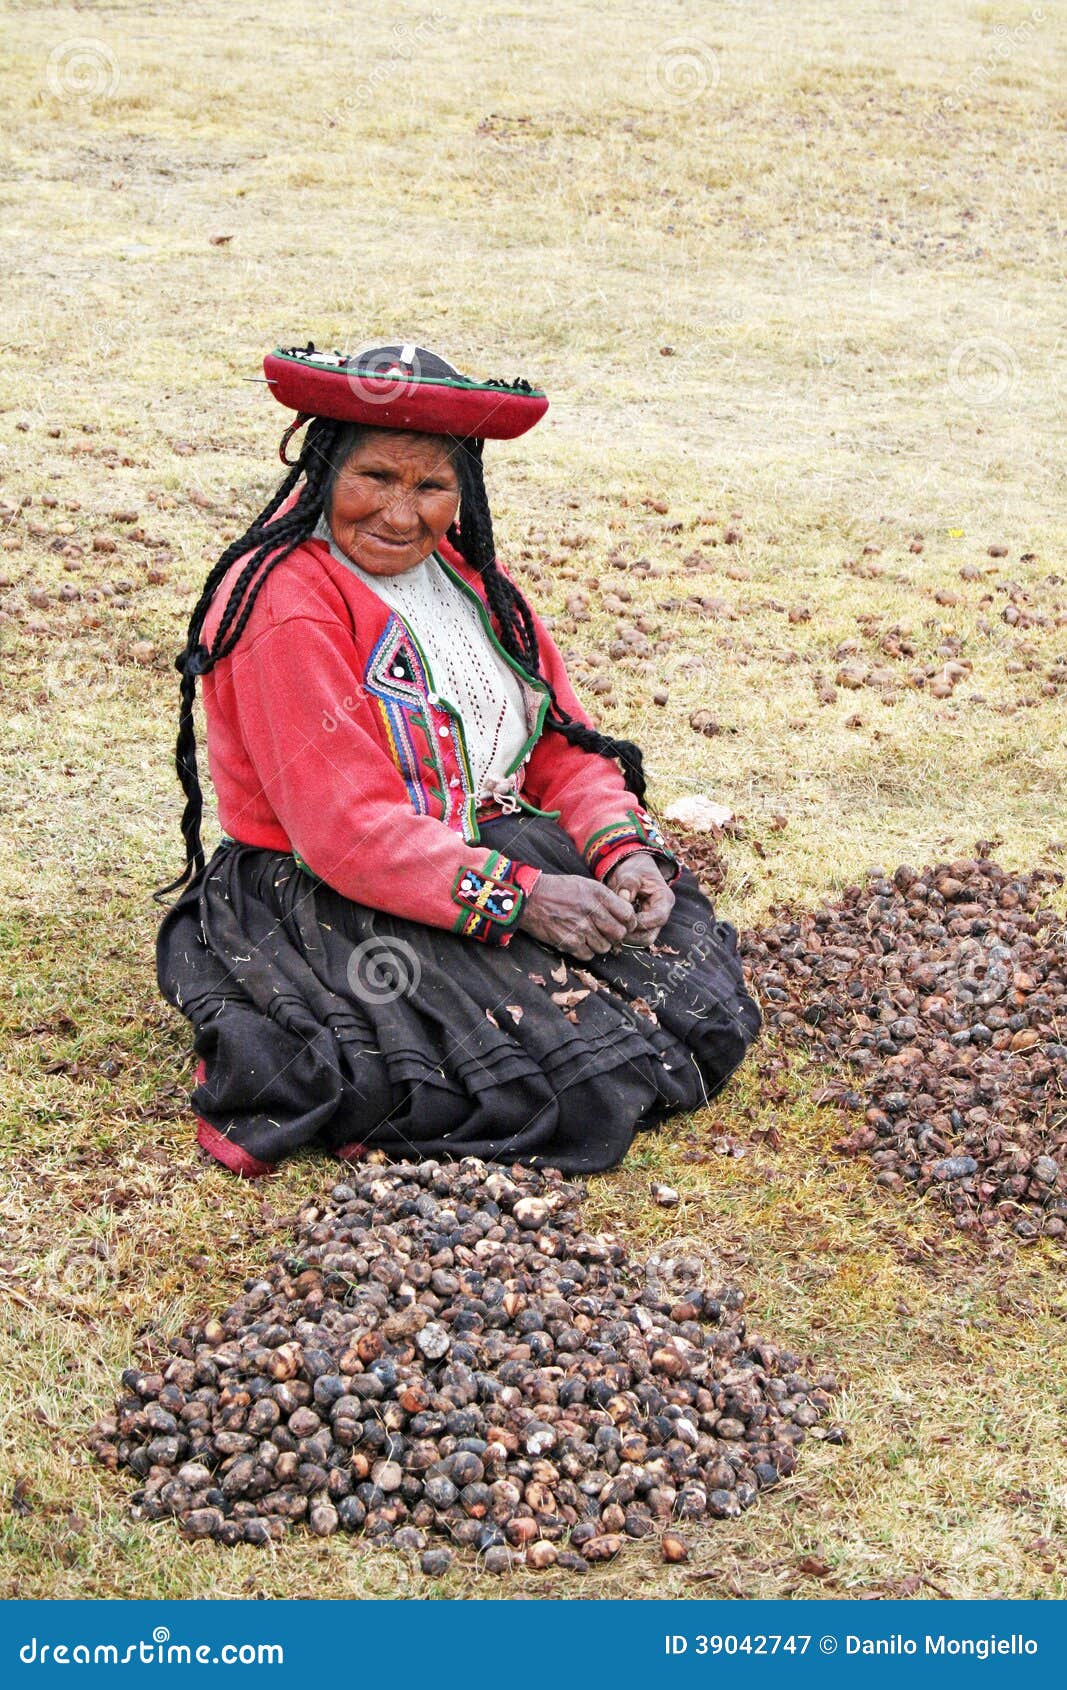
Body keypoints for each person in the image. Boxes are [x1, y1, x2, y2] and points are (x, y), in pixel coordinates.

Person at [154, 340, 761, 1177]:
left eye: (430, 486)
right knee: (559, 1077)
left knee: (695, 1004)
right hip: (339, 885)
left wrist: (621, 852)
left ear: (463, 490)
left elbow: (562, 742)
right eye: (374, 477)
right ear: (321, 469)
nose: (401, 515)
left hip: (485, 838)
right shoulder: (284, 598)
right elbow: (345, 829)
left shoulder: (470, 579)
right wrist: (524, 898)